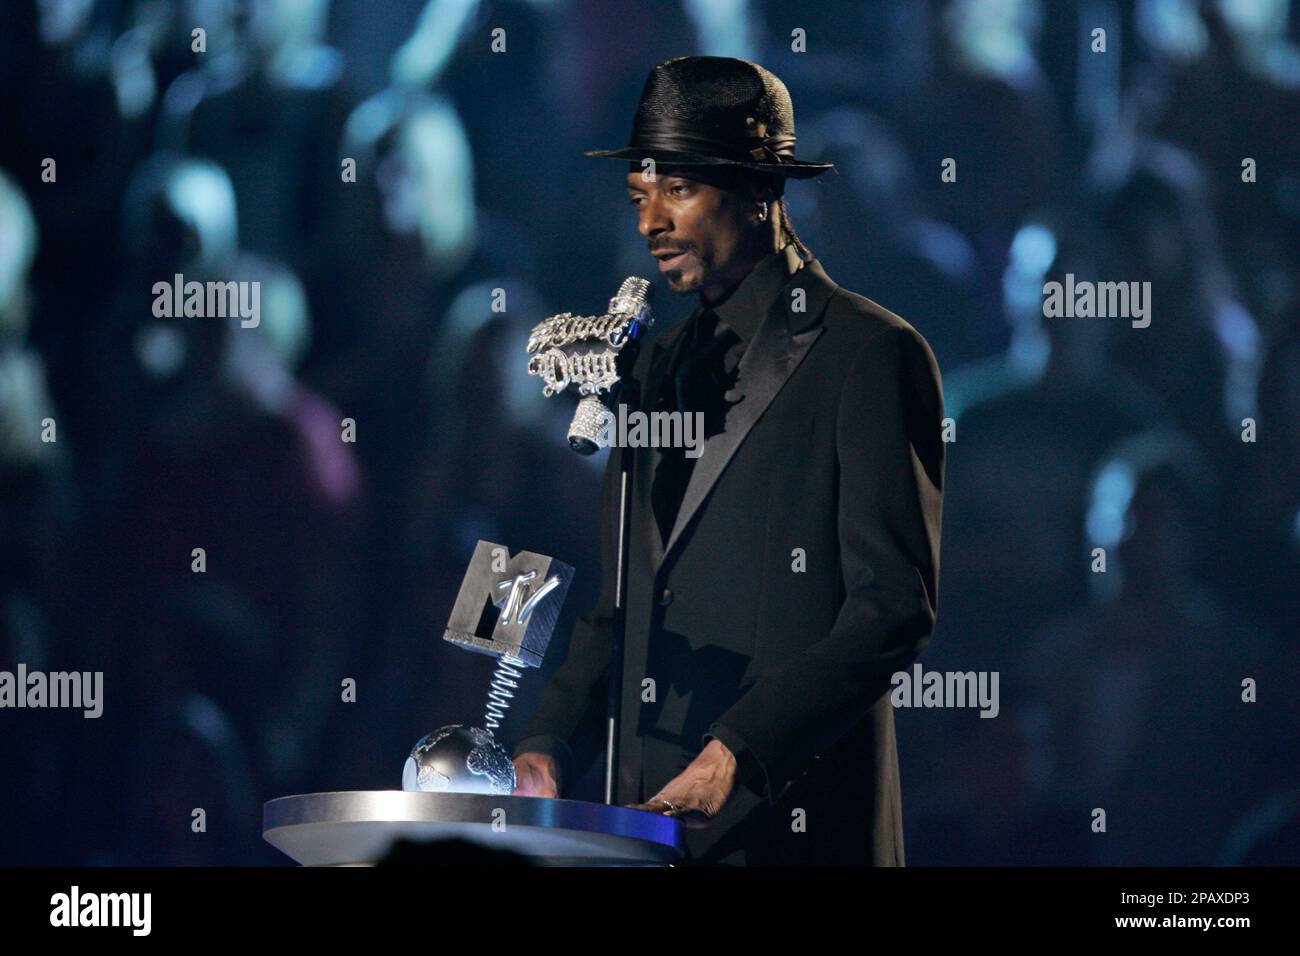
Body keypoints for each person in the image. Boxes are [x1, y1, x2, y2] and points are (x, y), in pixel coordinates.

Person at [511, 56, 945, 866]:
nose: (651, 224)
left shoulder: (870, 354)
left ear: (760, 192)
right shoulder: (645, 367)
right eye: (641, 196)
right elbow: (620, 603)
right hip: (644, 829)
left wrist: (738, 750)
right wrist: (547, 737)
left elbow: (891, 608)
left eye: (678, 191)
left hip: (795, 824)